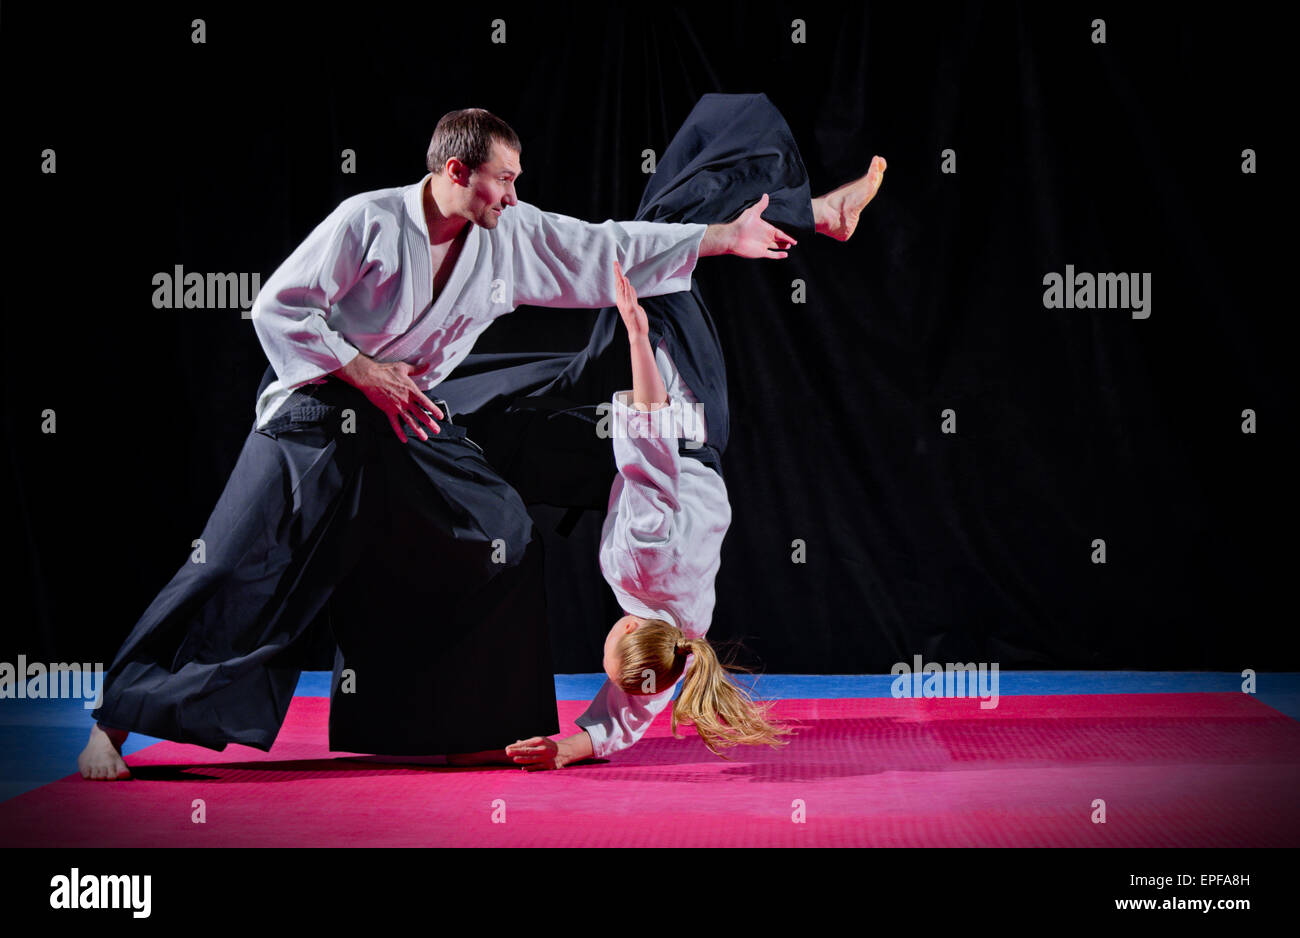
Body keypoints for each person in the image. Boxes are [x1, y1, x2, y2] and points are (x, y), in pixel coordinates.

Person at [78, 106, 800, 780]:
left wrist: (721, 240)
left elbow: (599, 243)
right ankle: (114, 723)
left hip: (408, 418)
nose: (514, 195)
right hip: (318, 409)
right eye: (505, 179)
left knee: (502, 536)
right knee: (237, 560)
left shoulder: (505, 237)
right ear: (458, 172)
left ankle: (451, 729)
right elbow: (278, 308)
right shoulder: (368, 221)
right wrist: (364, 372)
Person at [429, 93, 887, 769]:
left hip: (707, 433)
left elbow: (626, 712)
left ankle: (817, 213)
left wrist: (566, 748)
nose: (606, 645)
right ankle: (819, 213)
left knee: (662, 225)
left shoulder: (681, 639)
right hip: (681, 406)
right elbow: (648, 443)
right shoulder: (642, 565)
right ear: (633, 626)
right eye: (614, 643)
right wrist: (640, 338)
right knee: (661, 230)